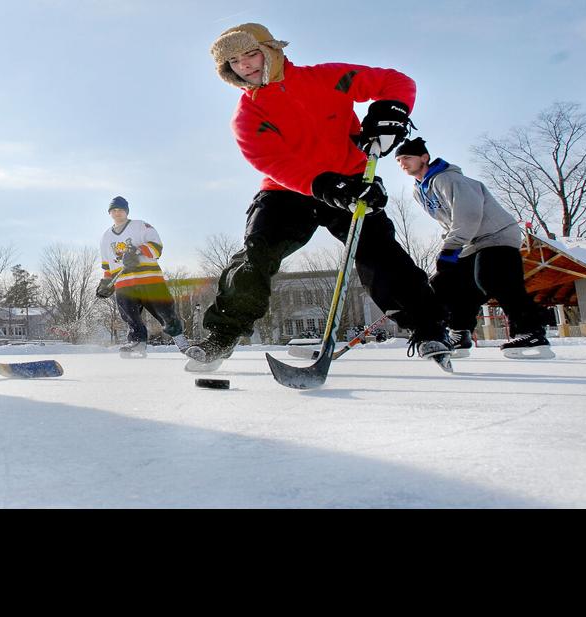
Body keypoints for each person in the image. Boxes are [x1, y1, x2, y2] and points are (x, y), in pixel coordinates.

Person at [188, 23, 453, 373]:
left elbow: (396, 82)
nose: (245, 65)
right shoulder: (247, 115)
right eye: (234, 62)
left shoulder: (326, 78)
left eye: (251, 54)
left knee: (379, 253)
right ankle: (222, 336)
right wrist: (323, 185)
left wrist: (390, 111)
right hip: (287, 191)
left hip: (353, 182)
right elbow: (272, 161)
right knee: (256, 254)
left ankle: (429, 328)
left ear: (272, 50)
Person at [393, 138, 553, 359]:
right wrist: (447, 250)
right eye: (399, 160)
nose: (402, 163)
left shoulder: (448, 179)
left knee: (491, 277)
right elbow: (447, 221)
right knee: (448, 284)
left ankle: (531, 331)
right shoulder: (419, 190)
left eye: (407, 158)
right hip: (470, 241)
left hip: (496, 234)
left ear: (424, 158)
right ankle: (460, 333)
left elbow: (468, 215)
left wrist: (451, 248)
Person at [97, 196, 187, 357]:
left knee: (164, 311)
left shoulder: (140, 226)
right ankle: (137, 342)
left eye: (121, 210)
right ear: (110, 213)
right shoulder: (106, 237)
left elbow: (157, 247)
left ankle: (182, 342)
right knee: (130, 316)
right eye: (114, 210)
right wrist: (106, 283)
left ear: (126, 211)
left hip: (149, 280)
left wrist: (137, 251)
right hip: (124, 284)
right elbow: (108, 265)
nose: (117, 213)